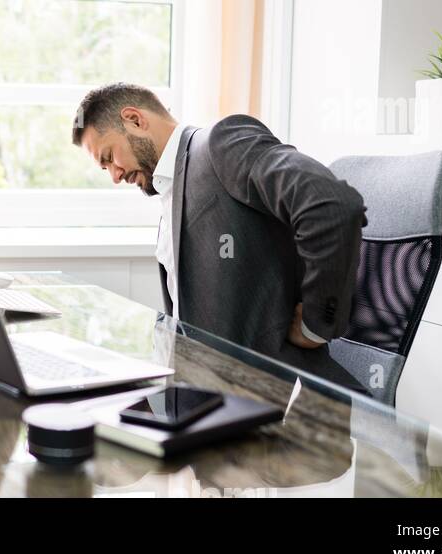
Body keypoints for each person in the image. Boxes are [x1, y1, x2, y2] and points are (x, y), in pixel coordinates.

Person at [72, 82, 367, 390]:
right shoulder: (170, 189)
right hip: (197, 396)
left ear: (135, 120)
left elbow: (332, 206)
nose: (115, 176)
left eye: (109, 157)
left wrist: (316, 325)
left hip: (261, 405)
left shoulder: (222, 143)